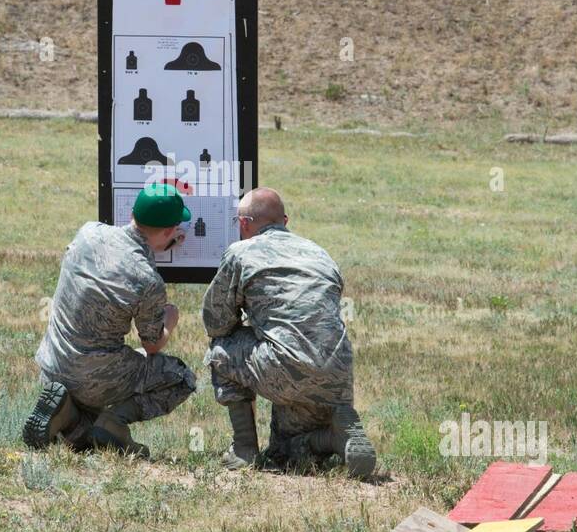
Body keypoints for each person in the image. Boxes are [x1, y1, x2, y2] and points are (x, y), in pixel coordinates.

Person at [203, 187, 375, 478]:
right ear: (285, 220)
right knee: (286, 455)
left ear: (244, 224)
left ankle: (244, 449)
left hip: (286, 367)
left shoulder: (241, 253)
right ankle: (336, 437)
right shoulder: (319, 253)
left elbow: (215, 322)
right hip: (336, 377)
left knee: (220, 349)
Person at [23, 184, 197, 457]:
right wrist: (170, 321)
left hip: (52, 362)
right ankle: (114, 423)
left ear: (133, 212)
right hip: (93, 376)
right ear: (168, 232)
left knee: (88, 420)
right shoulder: (148, 280)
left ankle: (68, 416)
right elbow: (152, 345)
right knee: (181, 377)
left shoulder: (88, 232)